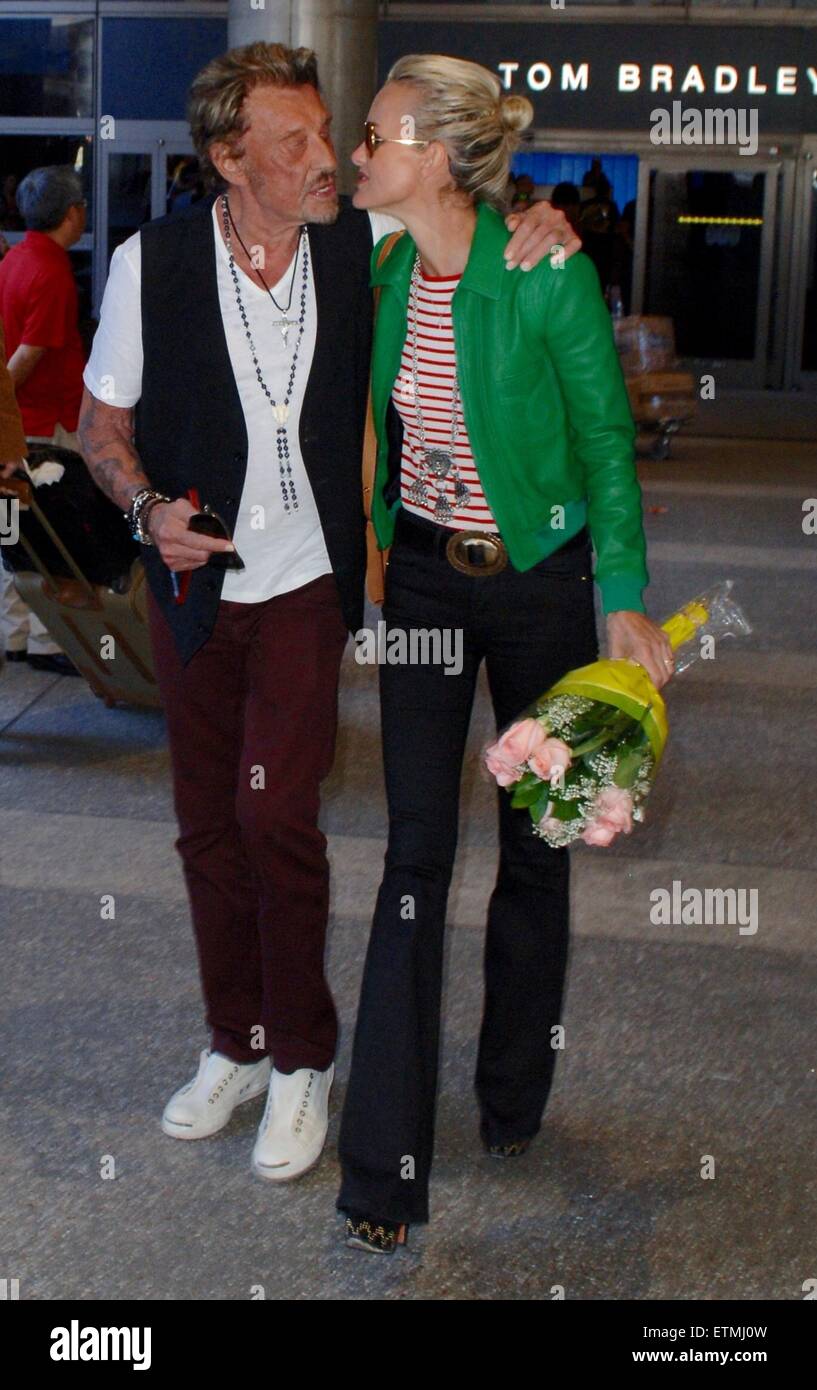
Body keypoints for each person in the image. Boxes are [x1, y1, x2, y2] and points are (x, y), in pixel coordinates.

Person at [77, 42, 579, 1187]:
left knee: (275, 820)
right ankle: (236, 1042)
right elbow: (101, 423)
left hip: (307, 583)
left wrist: (544, 219)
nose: (323, 158)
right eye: (293, 141)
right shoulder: (150, 267)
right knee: (206, 827)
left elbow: (463, 218)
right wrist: (147, 505)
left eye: (326, 132)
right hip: (192, 589)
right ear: (226, 159)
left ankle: (304, 1056)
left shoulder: (365, 244)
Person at [336, 53, 675, 1253]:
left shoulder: (543, 274)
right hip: (427, 578)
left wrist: (623, 599)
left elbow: (603, 443)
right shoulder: (380, 269)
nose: (354, 152)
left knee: (538, 846)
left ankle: (511, 1096)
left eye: (372, 134)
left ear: (431, 151)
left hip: (540, 585)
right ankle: (383, 1165)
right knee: (414, 857)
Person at [0, 165, 87, 675]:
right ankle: (45, 642)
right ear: (73, 213)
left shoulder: (12, 262)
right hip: (42, 428)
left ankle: (13, 635)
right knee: (51, 533)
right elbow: (28, 355)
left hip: (21, 428)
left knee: (11, 536)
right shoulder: (51, 270)